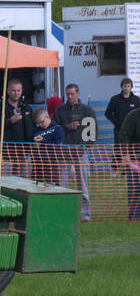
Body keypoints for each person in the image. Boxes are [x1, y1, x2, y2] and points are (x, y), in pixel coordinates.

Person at [53, 83, 96, 220]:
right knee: (62, 186)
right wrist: (67, 127)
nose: (70, 96)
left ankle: (85, 215)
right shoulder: (60, 110)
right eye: (68, 94)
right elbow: (54, 128)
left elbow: (92, 130)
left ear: (78, 94)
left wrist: (88, 146)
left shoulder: (87, 110)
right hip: (63, 153)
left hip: (81, 152)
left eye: (72, 94)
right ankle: (62, 213)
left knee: (83, 186)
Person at [0, 78, 34, 175]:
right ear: (8, 91)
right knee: (5, 183)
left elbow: (32, 128)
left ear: (22, 91)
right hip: (5, 154)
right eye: (13, 90)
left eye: (18, 90)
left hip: (23, 153)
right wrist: (9, 121)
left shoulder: (26, 107)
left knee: (22, 183)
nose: (16, 93)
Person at [28, 108, 64, 185]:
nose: (40, 125)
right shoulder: (36, 130)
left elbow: (58, 146)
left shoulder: (57, 128)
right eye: (38, 123)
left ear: (47, 117)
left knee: (52, 190)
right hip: (37, 166)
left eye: (42, 121)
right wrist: (34, 146)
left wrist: (43, 141)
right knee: (35, 189)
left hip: (52, 166)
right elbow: (31, 147)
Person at [118, 106, 140, 221]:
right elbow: (123, 135)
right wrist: (125, 154)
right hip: (134, 159)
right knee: (134, 189)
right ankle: (135, 217)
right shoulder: (133, 115)